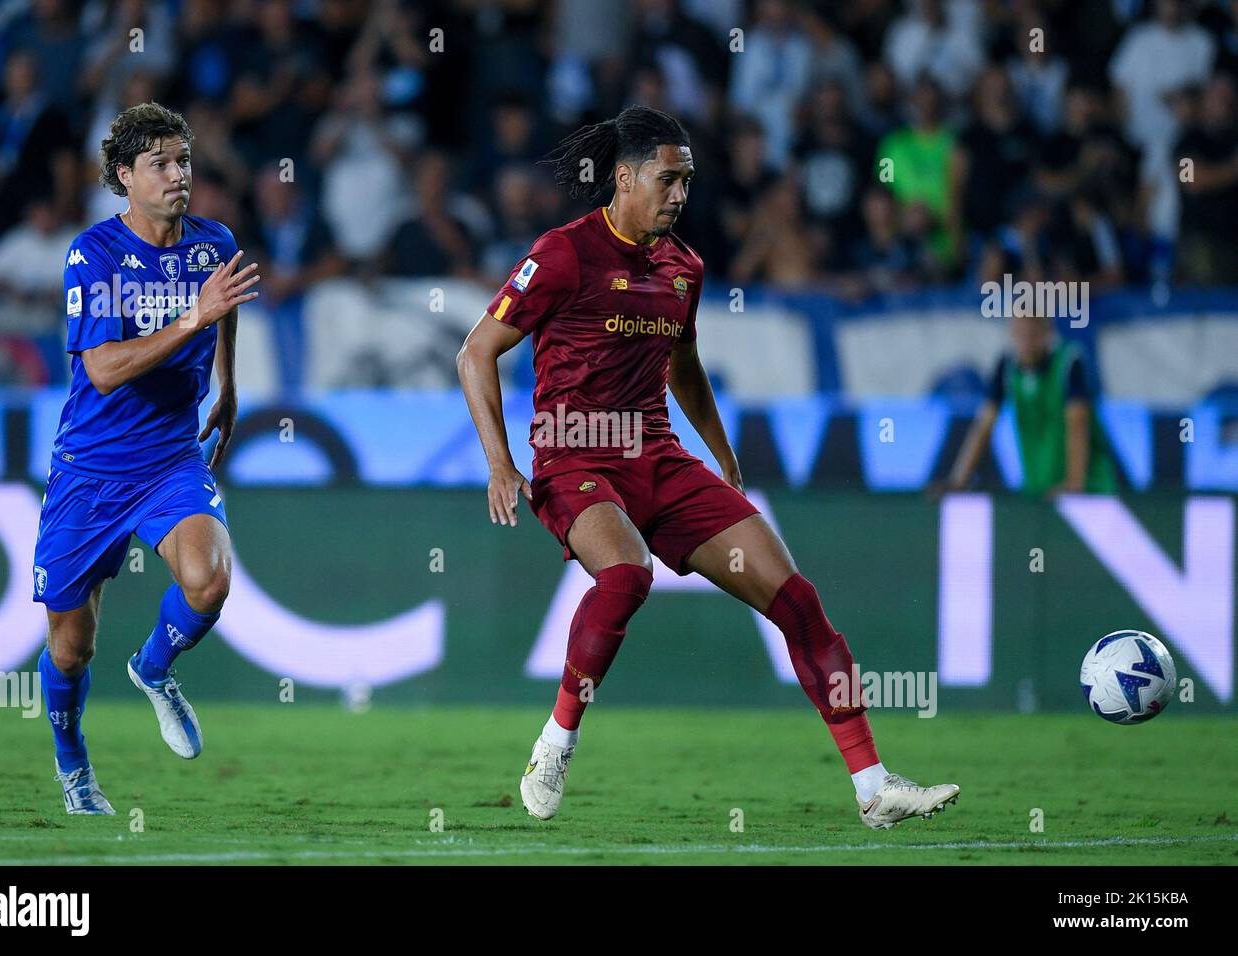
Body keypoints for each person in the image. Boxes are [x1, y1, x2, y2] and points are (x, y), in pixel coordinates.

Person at [456, 105, 959, 829]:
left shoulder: (683, 267)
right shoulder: (563, 254)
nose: (680, 195)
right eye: (668, 179)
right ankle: (556, 741)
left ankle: (874, 788)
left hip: (661, 459)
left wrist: (720, 453)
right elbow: (475, 352)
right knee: (628, 576)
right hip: (575, 457)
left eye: (688, 180)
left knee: (798, 601)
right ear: (624, 178)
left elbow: (682, 363)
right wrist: (500, 464)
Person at [32, 102, 260, 814]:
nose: (177, 175)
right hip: (90, 469)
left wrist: (227, 386)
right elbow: (101, 369)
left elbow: (227, 306)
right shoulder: (92, 254)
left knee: (210, 581)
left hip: (169, 459)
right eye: (159, 163)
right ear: (124, 177)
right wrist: (194, 315)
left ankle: (154, 670)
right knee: (70, 650)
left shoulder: (212, 242)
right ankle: (75, 771)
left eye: (183, 160)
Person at [943, 309, 1117, 496]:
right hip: (1040, 489)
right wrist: (959, 480)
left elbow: (1078, 422)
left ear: (1048, 333)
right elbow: (984, 424)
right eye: (1020, 334)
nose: (1026, 342)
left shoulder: (1069, 362)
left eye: (1033, 334)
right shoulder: (1008, 366)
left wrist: (1075, 485)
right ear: (1011, 333)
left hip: (1090, 489)